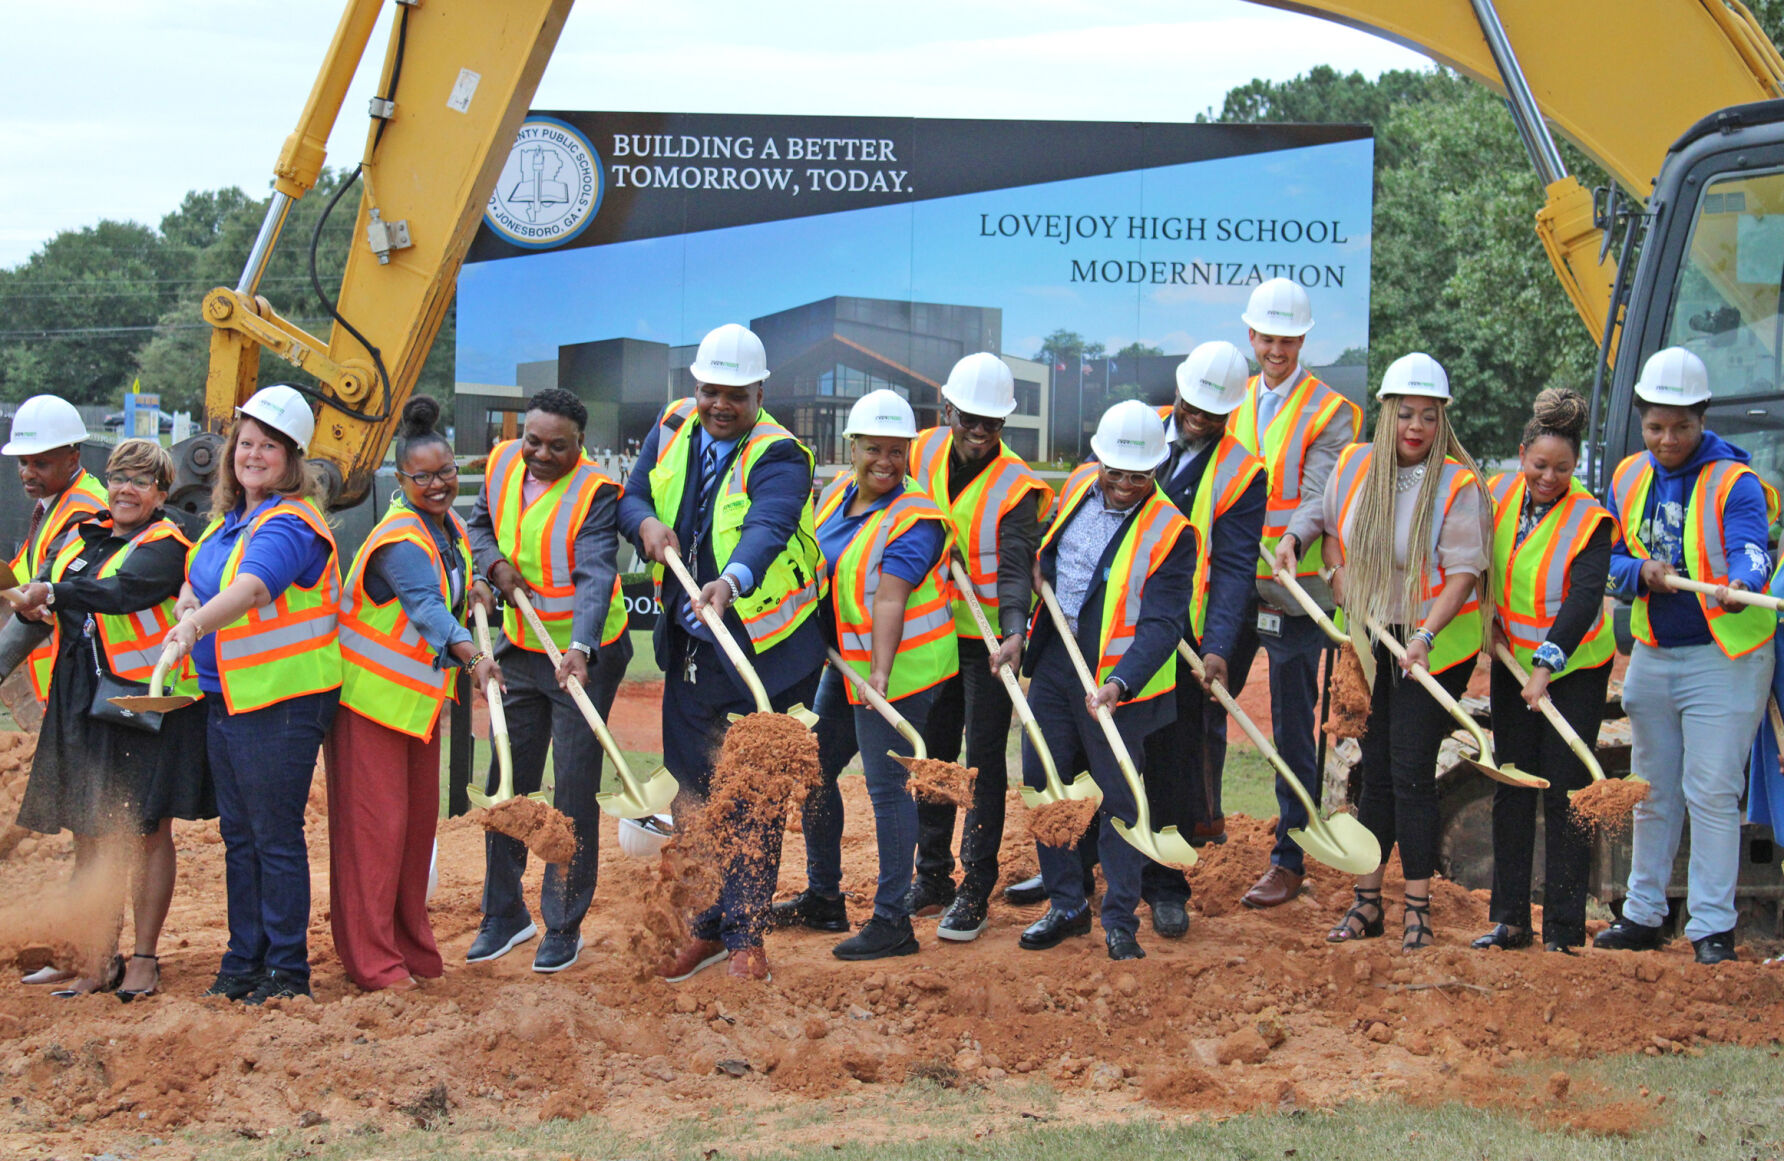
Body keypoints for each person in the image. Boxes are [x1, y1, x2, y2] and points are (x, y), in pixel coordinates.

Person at [623, 323, 825, 984]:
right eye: (711, 390)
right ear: (696, 386)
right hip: (690, 647)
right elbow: (631, 498)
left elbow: (768, 524)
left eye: (736, 394)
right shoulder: (671, 425)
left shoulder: (782, 454)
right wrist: (646, 523)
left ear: (759, 392)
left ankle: (746, 933)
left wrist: (731, 580)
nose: (720, 405)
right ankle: (707, 925)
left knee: (753, 794)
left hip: (762, 653)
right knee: (694, 794)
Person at [1281, 353, 1491, 953]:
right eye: (1406, 414)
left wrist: (1424, 637)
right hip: (1373, 639)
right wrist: (1310, 548)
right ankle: (1367, 902)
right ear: (1388, 413)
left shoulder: (1456, 485)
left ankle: (1418, 908)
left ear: (1442, 420)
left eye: (1429, 416)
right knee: (1374, 773)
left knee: (1410, 771)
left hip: (1431, 645)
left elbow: (1463, 573)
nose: (1416, 427)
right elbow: (1323, 514)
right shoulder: (1355, 464)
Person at [8, 439, 212, 998]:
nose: (126, 489)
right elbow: (58, 596)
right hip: (83, 698)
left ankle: (143, 959)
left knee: (147, 831)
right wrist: (44, 596)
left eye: (141, 482)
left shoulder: (168, 544)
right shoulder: (89, 536)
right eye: (119, 477)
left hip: (143, 705)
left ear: (161, 494)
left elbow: (123, 593)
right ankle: (92, 955)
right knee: (90, 832)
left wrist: (54, 589)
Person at [163, 384, 342, 1004]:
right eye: (246, 443)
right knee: (239, 836)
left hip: (282, 702)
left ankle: (287, 970)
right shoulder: (227, 522)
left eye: (269, 446)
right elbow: (200, 580)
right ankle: (244, 958)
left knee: (273, 835)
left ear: (293, 460)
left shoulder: (291, 524)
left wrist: (193, 624)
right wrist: (188, 603)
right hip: (230, 698)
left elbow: (253, 589)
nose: (253, 455)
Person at [1596, 347, 1775, 965]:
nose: (1667, 439)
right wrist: (1640, 571)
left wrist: (1744, 588)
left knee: (1711, 792)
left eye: (1681, 426)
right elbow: (1609, 557)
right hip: (1654, 652)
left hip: (1724, 658)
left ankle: (1710, 928)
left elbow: (1755, 552)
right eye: (1655, 426)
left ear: (1702, 420)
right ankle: (1643, 914)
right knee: (1651, 790)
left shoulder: (1736, 481)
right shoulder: (1626, 476)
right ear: (1642, 419)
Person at [327, 396, 503, 990]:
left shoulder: (447, 524)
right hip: (369, 708)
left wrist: (478, 581)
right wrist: (475, 657)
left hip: (413, 709)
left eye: (447, 472)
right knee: (375, 837)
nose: (439, 484)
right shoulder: (400, 537)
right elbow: (426, 607)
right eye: (423, 476)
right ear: (400, 481)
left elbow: (456, 573)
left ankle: (411, 951)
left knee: (411, 833)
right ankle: (373, 961)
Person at [779, 391, 957, 960]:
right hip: (849, 665)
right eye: (873, 448)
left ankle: (892, 922)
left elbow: (889, 598)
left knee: (887, 791)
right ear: (850, 447)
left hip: (899, 673)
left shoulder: (918, 517)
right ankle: (824, 898)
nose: (885, 461)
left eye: (897, 451)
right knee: (813, 770)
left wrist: (878, 672)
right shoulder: (835, 496)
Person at [1019, 401, 1195, 962]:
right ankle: (1067, 905)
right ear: (1097, 460)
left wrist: (1120, 683)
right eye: (1113, 471)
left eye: (1137, 475)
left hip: (1119, 688)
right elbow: (1054, 544)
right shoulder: (1076, 486)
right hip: (1056, 664)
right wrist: (1040, 566)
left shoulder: (1172, 531)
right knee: (1047, 778)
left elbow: (1165, 623)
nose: (1122, 484)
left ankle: (1120, 918)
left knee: (1121, 798)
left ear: (1157, 470)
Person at [886, 354, 1052, 942]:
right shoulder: (919, 448)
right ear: (948, 408)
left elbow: (1014, 568)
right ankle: (931, 876)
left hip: (985, 645)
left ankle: (975, 887)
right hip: (927, 631)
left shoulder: (1018, 485)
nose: (980, 432)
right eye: (971, 419)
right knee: (932, 754)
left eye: (993, 423)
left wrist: (1013, 630)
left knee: (981, 762)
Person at [465, 388, 629, 974]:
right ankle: (503, 914)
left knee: (573, 789)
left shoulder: (595, 493)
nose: (539, 453)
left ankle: (563, 923)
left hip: (583, 657)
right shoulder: (503, 461)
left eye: (556, 446)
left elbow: (595, 575)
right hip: (519, 647)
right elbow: (479, 525)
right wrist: (494, 567)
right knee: (507, 777)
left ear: (579, 446)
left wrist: (580, 647)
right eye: (532, 440)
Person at [1227, 278, 1361, 909]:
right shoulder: (1233, 399)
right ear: (1250, 336)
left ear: (1302, 339)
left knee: (1290, 725)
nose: (1275, 348)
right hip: (1230, 584)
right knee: (1202, 697)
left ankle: (1289, 856)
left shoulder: (1329, 410)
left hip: (1293, 588)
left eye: (1286, 338)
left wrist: (1296, 538)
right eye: (1265, 337)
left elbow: (1319, 492)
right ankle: (1198, 823)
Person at [1474, 388, 1616, 955]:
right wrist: (1489, 617)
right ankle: (1509, 921)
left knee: (1566, 792)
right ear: (1522, 453)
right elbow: (1482, 559)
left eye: (1562, 468)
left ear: (1575, 466)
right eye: (1539, 465)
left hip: (1573, 669)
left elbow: (1582, 603)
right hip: (1514, 664)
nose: (1548, 477)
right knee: (1513, 786)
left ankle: (1562, 930)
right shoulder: (1499, 493)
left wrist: (1546, 667)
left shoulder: (1592, 520)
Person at [1137, 341, 1267, 937]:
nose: (1200, 418)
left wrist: (1217, 646)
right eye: (1194, 404)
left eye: (1215, 412)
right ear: (1179, 389)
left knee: (1172, 756)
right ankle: (1082, 872)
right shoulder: (1136, 432)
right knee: (1099, 748)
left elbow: (1237, 567)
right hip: (1116, 624)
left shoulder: (1242, 472)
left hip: (1182, 637)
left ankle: (1166, 882)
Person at [4, 394, 108, 704]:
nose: (27, 472)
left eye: (40, 463)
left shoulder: (84, 513)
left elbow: (40, 595)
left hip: (82, 678)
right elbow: (21, 576)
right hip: (63, 677)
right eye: (23, 462)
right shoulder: (54, 506)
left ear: (72, 459)